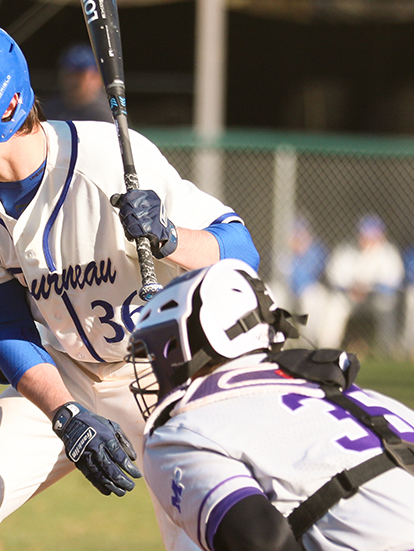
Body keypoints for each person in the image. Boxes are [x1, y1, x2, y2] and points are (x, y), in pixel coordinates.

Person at [0, 18, 259, 551]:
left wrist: (170, 237)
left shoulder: (108, 160)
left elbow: (241, 251)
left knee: (199, 542)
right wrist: (66, 413)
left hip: (163, 377)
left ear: (5, 109)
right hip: (68, 375)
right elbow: (2, 324)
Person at [128, 258, 414, 551]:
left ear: (180, 348)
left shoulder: (184, 429)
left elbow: (264, 544)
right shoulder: (352, 393)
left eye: (154, 357)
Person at [316, 213, 403, 353]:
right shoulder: (346, 249)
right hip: (350, 295)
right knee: (335, 305)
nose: (367, 239)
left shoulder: (389, 252)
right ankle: (326, 348)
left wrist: (369, 288)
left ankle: (386, 349)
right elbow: (334, 276)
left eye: (371, 235)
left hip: (376, 297)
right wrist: (351, 287)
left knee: (387, 304)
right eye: (364, 234)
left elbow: (394, 281)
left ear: (381, 235)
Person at [270, 215, 328, 345]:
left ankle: (308, 342)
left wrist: (300, 255)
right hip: (288, 290)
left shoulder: (317, 250)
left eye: (301, 233)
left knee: (310, 298)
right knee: (275, 292)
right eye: (295, 234)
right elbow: (283, 277)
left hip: (310, 290)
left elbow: (309, 278)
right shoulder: (284, 252)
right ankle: (278, 339)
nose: (298, 237)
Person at [41, 43, 113, 122]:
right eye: (68, 74)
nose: (73, 81)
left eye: (79, 75)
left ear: (97, 77)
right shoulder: (50, 109)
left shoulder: (106, 113)